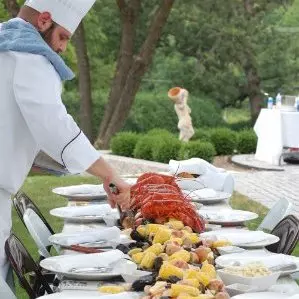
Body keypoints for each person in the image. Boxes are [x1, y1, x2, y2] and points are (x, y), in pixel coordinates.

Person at [0, 0, 131, 296]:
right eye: (63, 37)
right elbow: (56, 127)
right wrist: (109, 175)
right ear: (44, 20)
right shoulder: (29, 57)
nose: (61, 49)